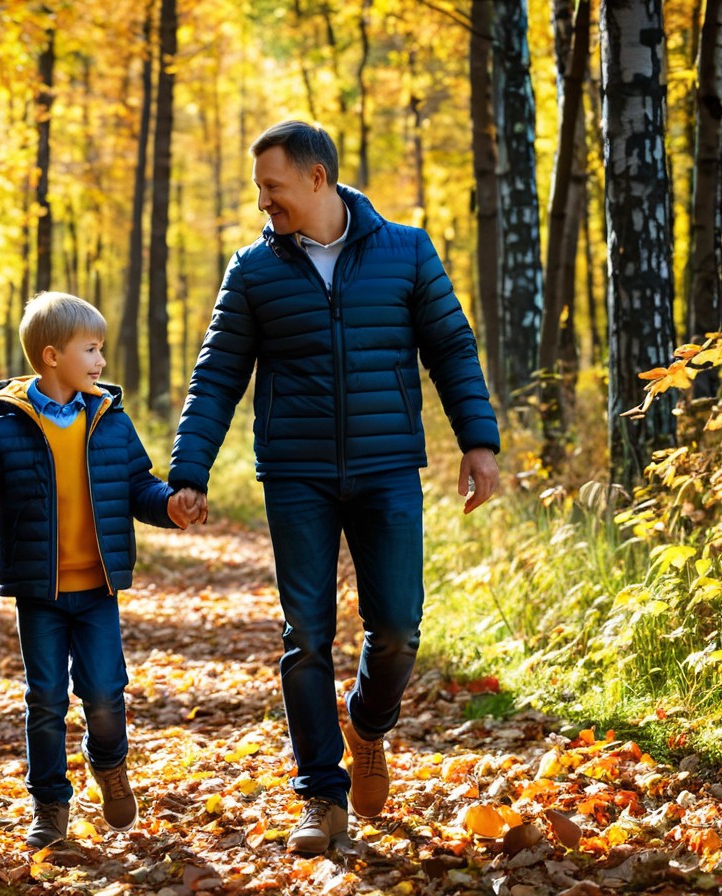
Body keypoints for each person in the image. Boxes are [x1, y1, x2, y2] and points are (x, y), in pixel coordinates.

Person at [168, 120, 501, 855]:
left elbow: (451, 346)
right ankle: (320, 794)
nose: (264, 202)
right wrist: (188, 472)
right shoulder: (253, 270)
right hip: (296, 475)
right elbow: (217, 374)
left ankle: (369, 726)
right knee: (306, 638)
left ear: (317, 179)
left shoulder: (406, 251)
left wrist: (479, 442)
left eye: (273, 186)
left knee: (399, 629)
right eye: (260, 189)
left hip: (387, 470)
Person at [0, 291, 199, 850]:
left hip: (97, 588)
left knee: (106, 694)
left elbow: (139, 485)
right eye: (90, 349)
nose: (100, 361)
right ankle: (50, 804)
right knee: (45, 699)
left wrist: (169, 505)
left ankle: (108, 763)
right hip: (40, 591)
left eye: (101, 349)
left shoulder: (110, 421)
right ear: (50, 356)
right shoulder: (3, 429)